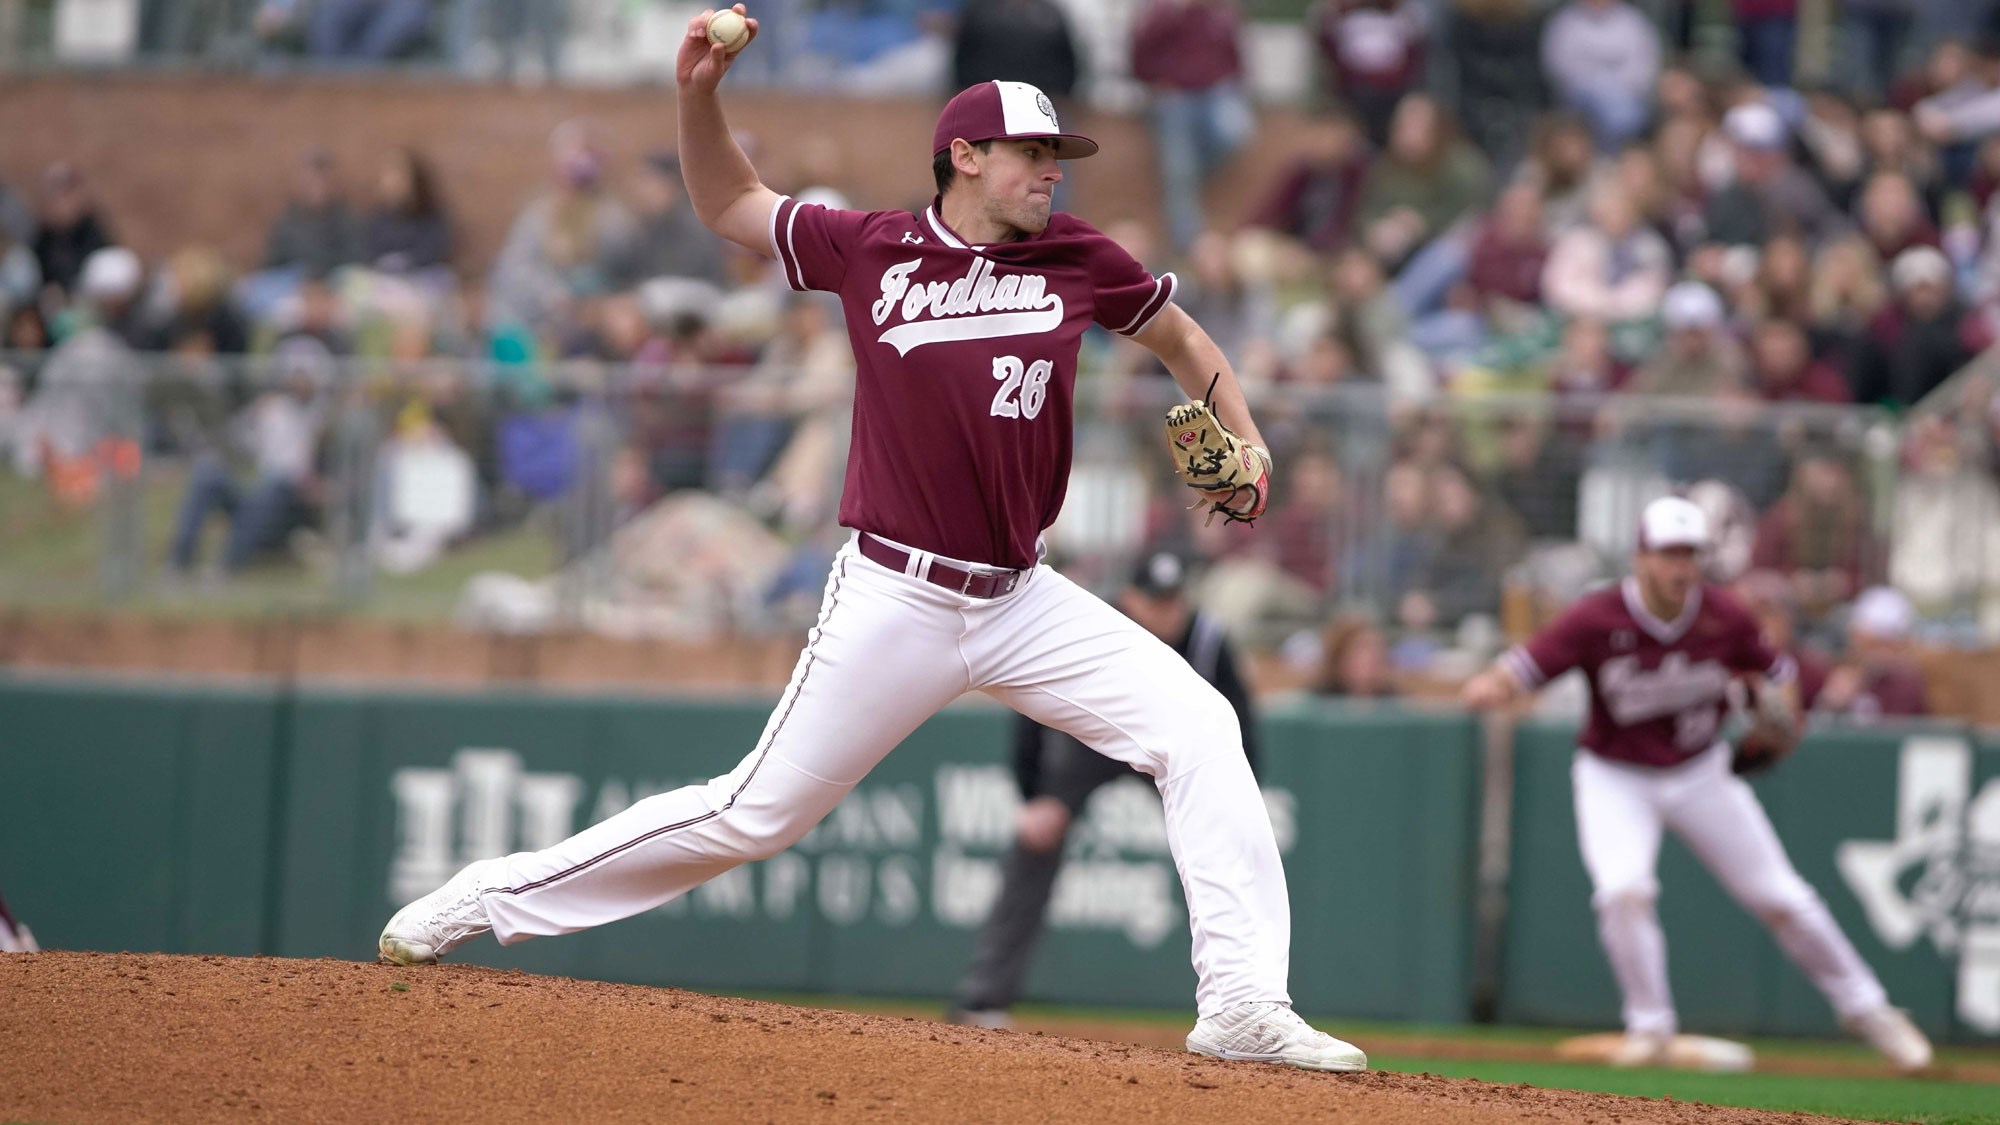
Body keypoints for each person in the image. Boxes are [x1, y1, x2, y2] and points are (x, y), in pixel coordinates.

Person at [377, 8, 1367, 1075]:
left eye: (1058, 154)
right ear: (965, 157)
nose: (1051, 172)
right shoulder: (872, 248)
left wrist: (1246, 441)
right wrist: (698, 95)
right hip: (895, 593)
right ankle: (487, 895)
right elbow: (725, 203)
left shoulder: (1078, 257)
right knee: (753, 814)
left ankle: (1240, 1002)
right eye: (1032, 154)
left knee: (1199, 725)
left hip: (1021, 597)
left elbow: (1177, 335)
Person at [1460, 496, 1934, 1073]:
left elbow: (1780, 675)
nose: (1681, 568)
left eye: (1690, 554)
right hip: (1616, 773)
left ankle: (1870, 1010)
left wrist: (1781, 715)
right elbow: (1524, 666)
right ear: (1640, 557)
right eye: (1668, 554)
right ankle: (1651, 1026)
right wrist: (1489, 685)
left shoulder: (1724, 616)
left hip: (1698, 769)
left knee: (1782, 896)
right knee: (1624, 890)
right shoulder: (1599, 616)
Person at [946, 551, 1257, 1028]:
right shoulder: (1096, 619)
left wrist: (1235, 804)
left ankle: (1247, 1002)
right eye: (1156, 601)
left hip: (1176, 748)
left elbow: (1240, 729)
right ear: (1130, 598)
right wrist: (1033, 797)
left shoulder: (1208, 639)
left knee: (1226, 845)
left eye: (1174, 601)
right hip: (1091, 741)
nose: (1167, 611)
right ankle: (983, 997)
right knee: (1037, 837)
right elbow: (1034, 704)